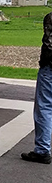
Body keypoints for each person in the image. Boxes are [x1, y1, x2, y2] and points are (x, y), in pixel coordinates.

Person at [21, 10, 52, 164]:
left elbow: (49, 46)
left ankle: (42, 150)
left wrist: (44, 63)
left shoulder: (50, 18)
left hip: (50, 70)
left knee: (44, 107)